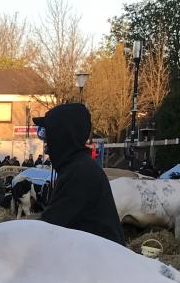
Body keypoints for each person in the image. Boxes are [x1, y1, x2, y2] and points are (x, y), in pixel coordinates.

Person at [33, 103, 123, 244]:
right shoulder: (78, 167)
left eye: (47, 135)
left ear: (61, 137)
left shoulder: (79, 174)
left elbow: (50, 226)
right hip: (94, 255)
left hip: (100, 261)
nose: (45, 144)